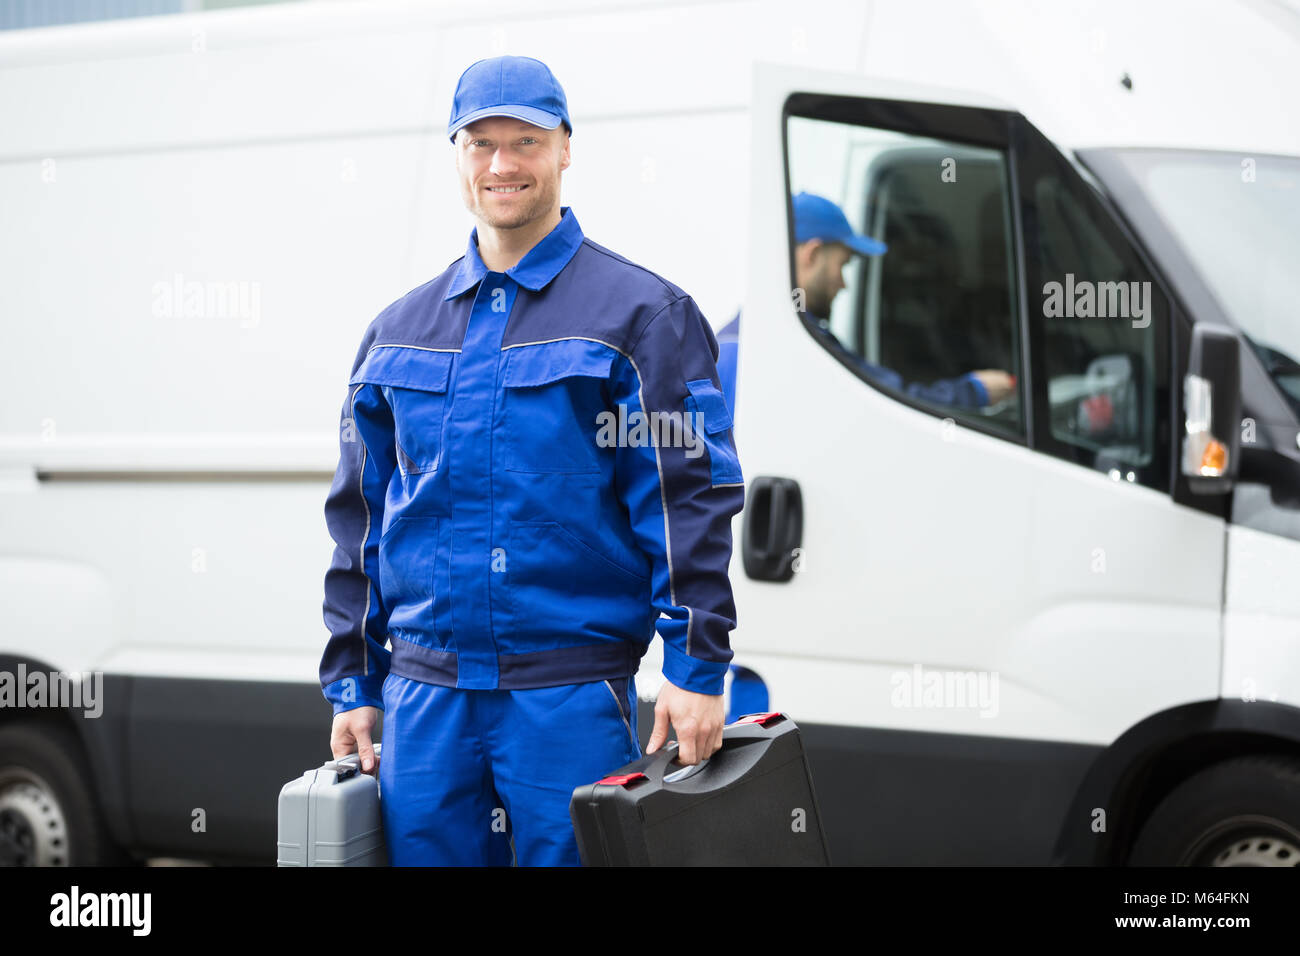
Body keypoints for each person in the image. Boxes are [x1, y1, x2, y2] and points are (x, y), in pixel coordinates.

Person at [319, 55, 744, 866]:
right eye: (481, 144)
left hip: (569, 697)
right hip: (424, 702)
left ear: (565, 149)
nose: (502, 164)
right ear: (457, 154)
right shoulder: (397, 332)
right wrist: (353, 680)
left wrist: (697, 664)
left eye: (525, 141)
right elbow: (360, 523)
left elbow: (688, 498)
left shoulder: (642, 317)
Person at [717, 192, 1014, 420]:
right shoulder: (771, 349)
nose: (843, 284)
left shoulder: (744, 342)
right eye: (842, 265)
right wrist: (973, 391)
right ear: (812, 254)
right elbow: (890, 399)